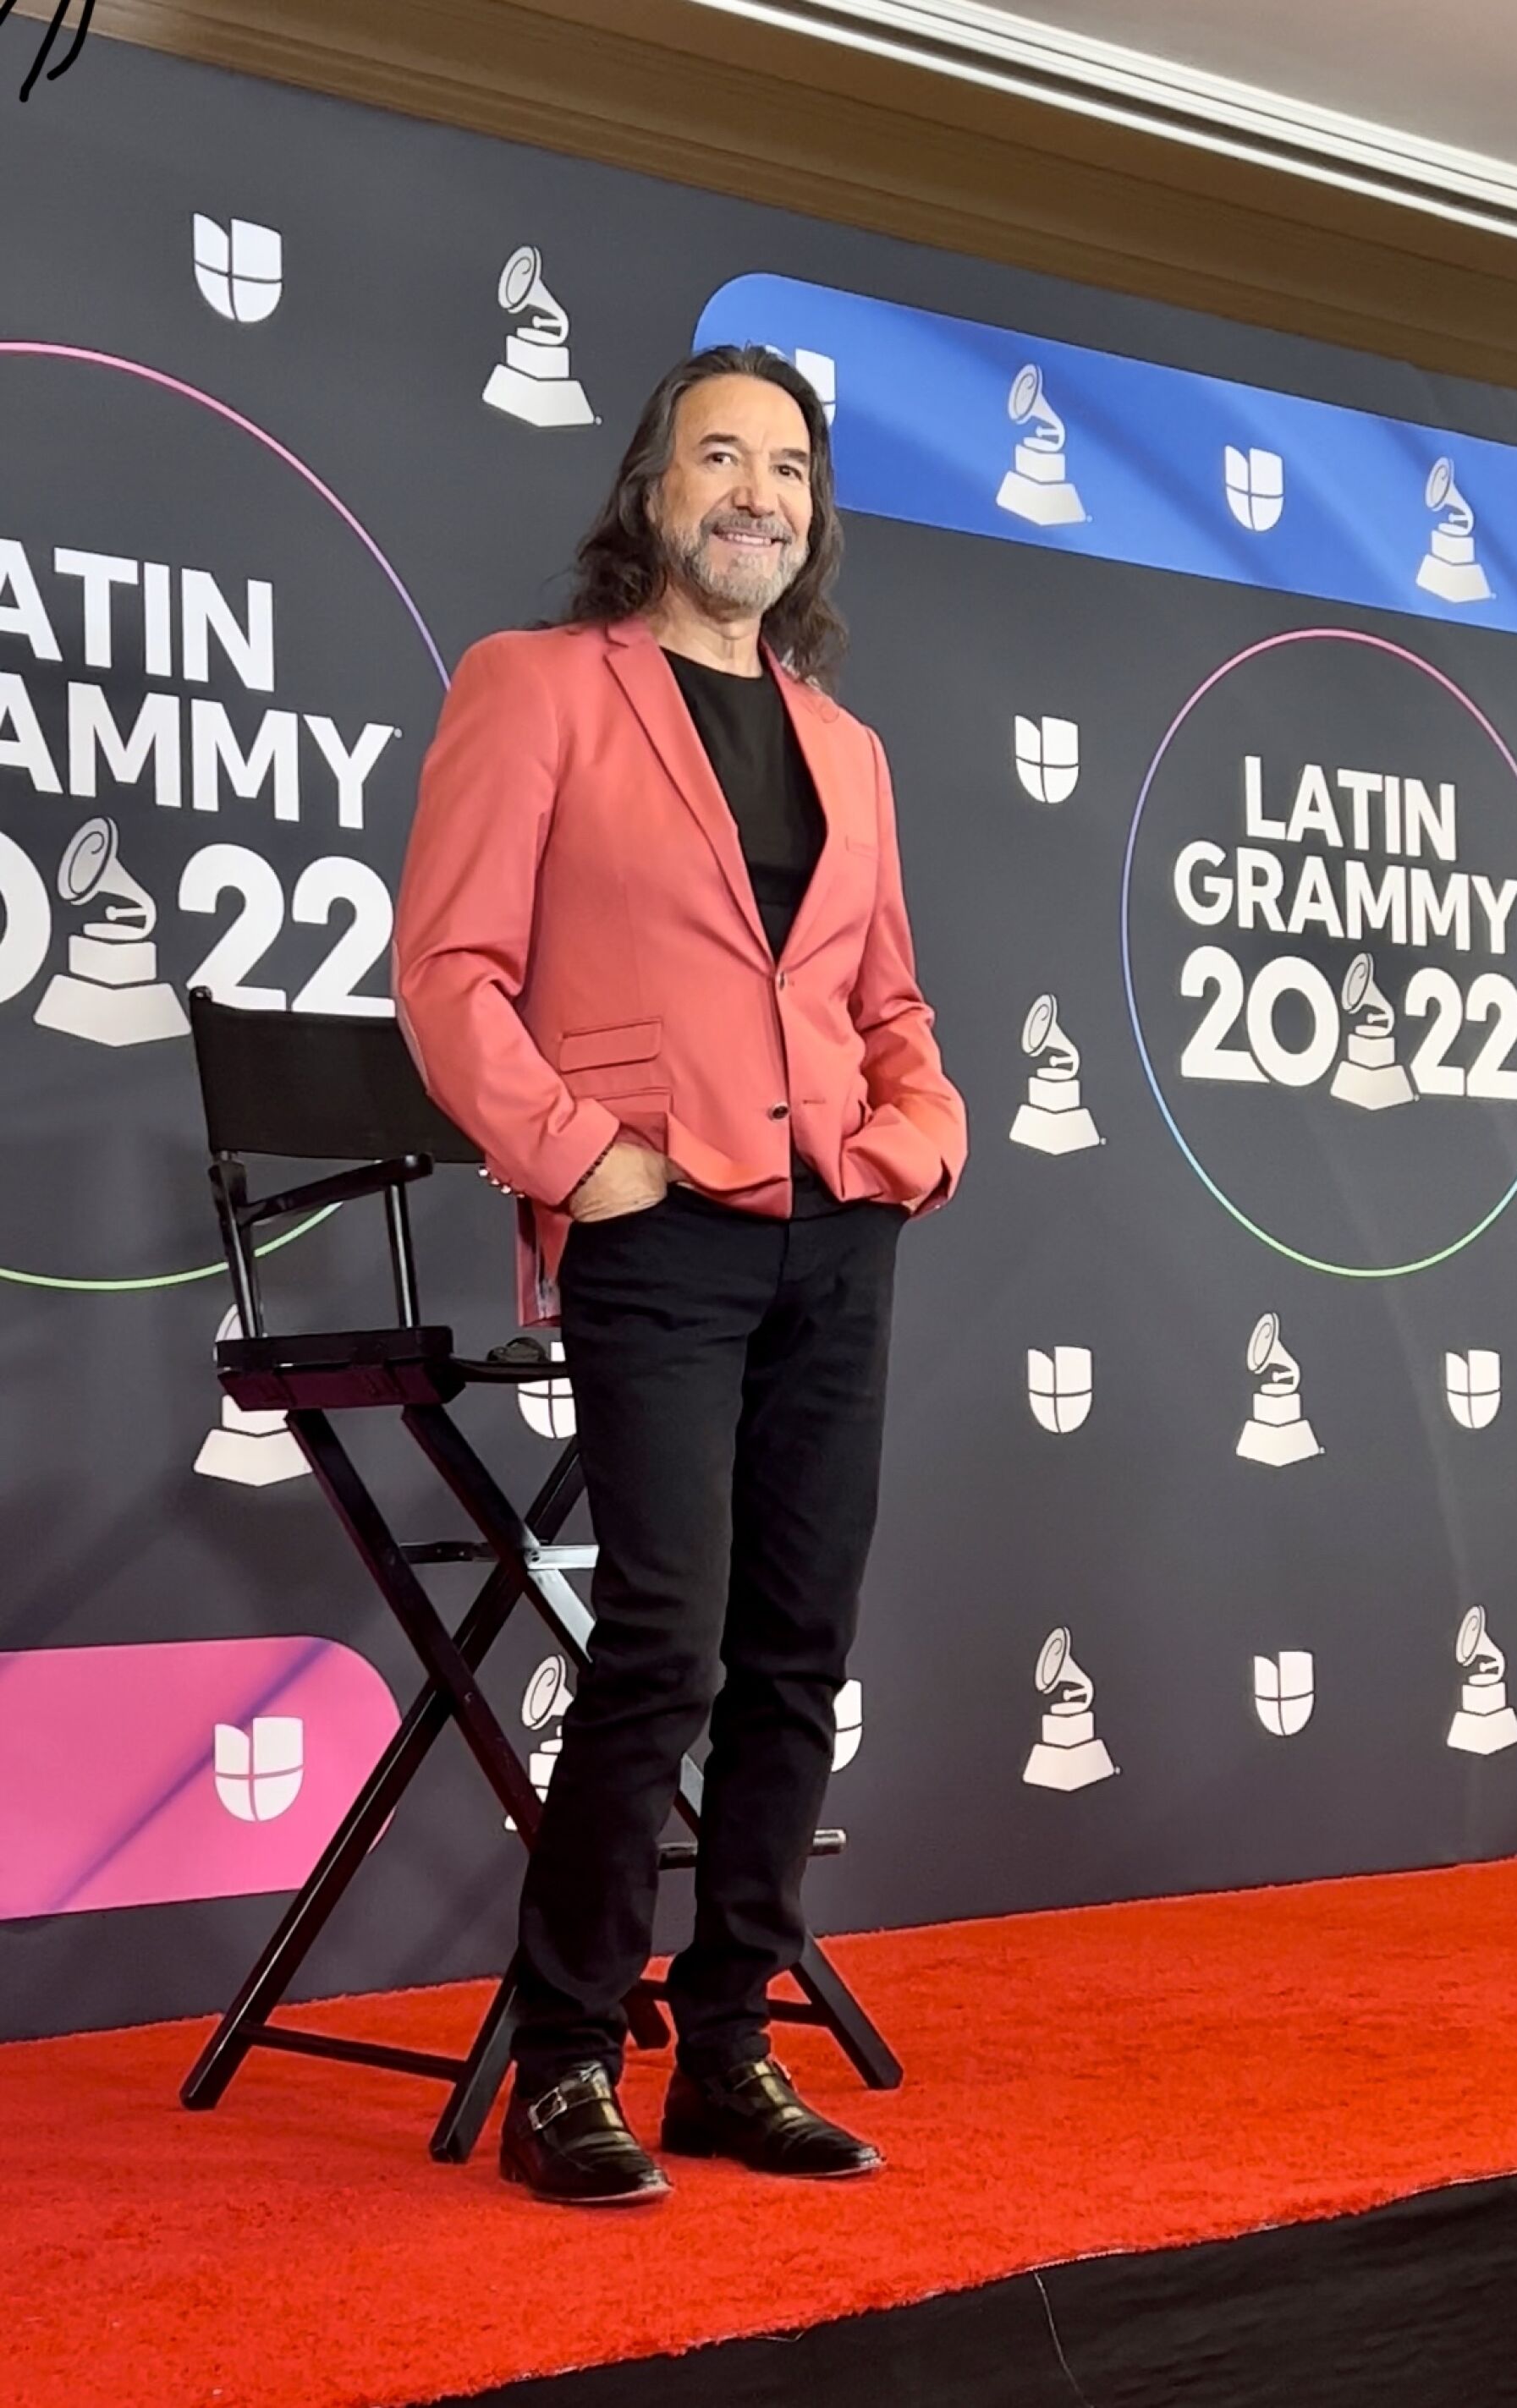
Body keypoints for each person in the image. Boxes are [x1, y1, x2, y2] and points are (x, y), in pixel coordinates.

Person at [393, 343, 967, 2208]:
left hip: (835, 1225)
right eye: (718, 456)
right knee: (662, 1641)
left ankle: (726, 2041)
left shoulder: (849, 745)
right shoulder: (536, 684)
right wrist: (584, 1156)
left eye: (785, 466)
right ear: (650, 490)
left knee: (797, 1647)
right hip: (659, 1225)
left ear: (811, 513)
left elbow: (888, 999)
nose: (754, 491)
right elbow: (451, 972)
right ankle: (566, 2056)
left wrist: (917, 1132)